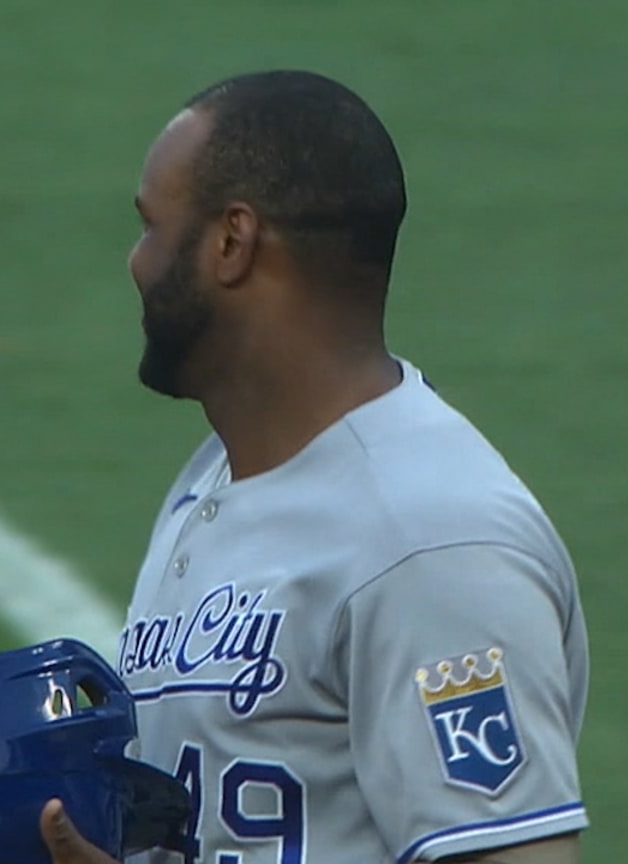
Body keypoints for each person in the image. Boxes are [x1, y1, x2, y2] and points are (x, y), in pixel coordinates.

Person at [38, 71, 589, 864]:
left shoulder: (428, 538)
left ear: (232, 243)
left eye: (152, 227)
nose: (136, 261)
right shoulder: (212, 482)